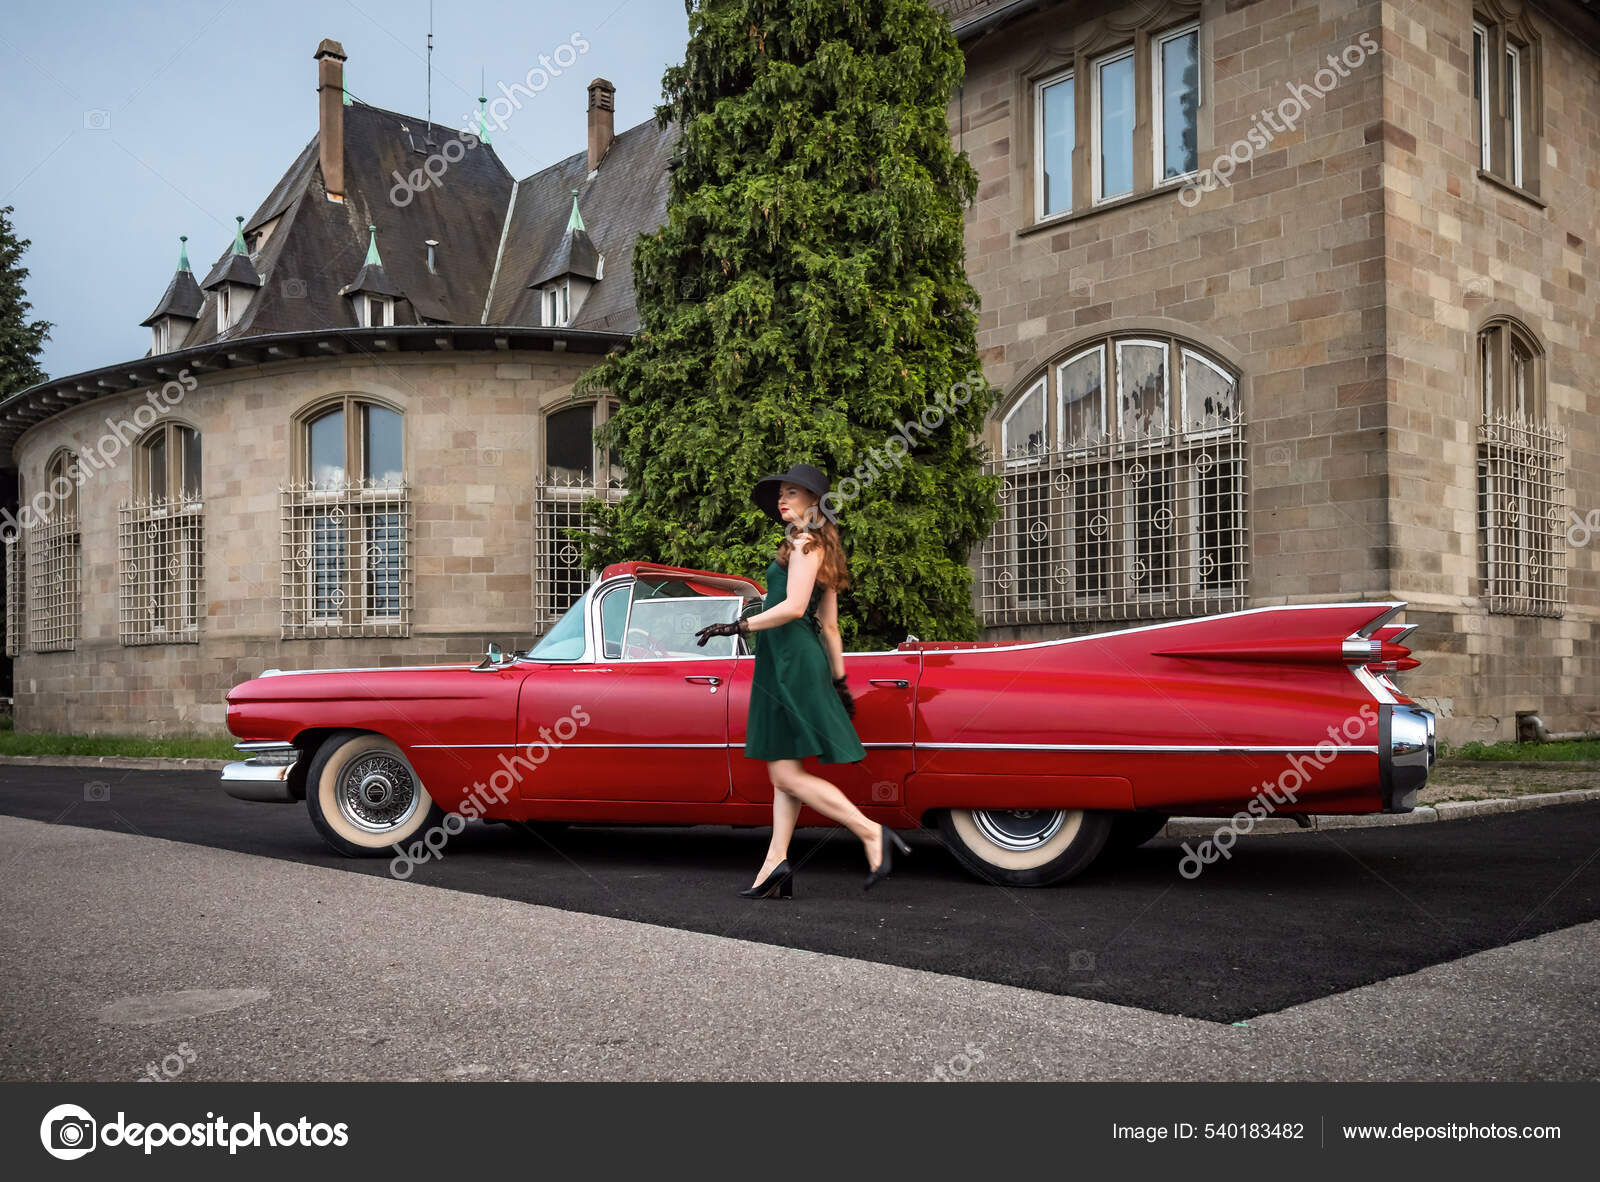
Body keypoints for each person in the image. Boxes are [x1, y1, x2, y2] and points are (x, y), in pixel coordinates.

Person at [694, 462, 910, 898]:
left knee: (785, 773)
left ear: (814, 502)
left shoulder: (805, 543)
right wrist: (840, 681)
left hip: (791, 659)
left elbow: (795, 608)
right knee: (786, 770)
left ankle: (872, 833)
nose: (782, 499)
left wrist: (738, 627)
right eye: (781, 493)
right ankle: (775, 863)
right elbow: (829, 626)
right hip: (788, 659)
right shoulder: (811, 543)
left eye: (792, 492)